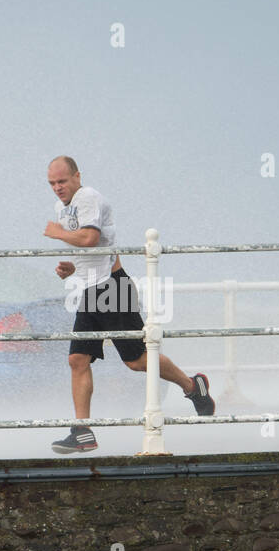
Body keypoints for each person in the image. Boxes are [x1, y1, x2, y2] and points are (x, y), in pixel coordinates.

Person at [41, 155, 213, 453]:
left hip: (112, 287)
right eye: (52, 183)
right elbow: (91, 249)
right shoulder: (62, 207)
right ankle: (82, 431)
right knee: (77, 360)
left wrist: (57, 232)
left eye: (62, 181)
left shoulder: (88, 197)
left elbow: (91, 238)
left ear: (77, 176)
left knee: (137, 361)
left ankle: (192, 386)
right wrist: (72, 268)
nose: (57, 188)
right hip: (89, 288)